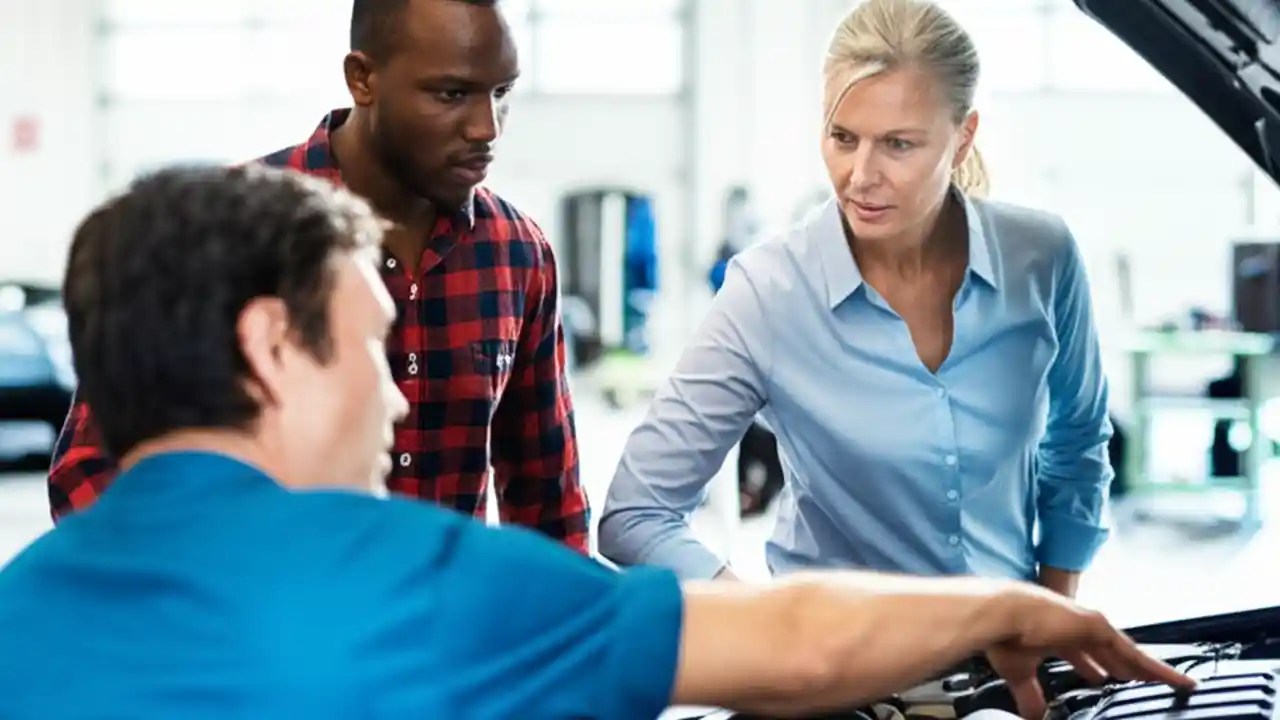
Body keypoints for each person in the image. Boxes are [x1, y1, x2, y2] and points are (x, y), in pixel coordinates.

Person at [0, 163, 1192, 720]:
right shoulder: (414, 583)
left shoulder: (19, 610)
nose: (400, 404)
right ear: (271, 348)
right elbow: (794, 649)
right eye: (369, 348)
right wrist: (1008, 608)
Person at [599, 0, 1114, 597]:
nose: (859, 175)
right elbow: (635, 514)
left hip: (1007, 662)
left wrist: (1051, 613)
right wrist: (777, 631)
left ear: (964, 137)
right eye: (843, 138)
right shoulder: (768, 292)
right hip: (840, 678)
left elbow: (1079, 441)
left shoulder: (1041, 256)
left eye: (898, 145)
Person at [45, 0, 591, 552]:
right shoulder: (225, 230)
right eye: (451, 94)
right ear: (363, 79)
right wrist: (219, 604)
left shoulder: (517, 253)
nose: (486, 128)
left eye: (501, 93)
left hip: (438, 631)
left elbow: (548, 498)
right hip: (251, 624)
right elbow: (90, 473)